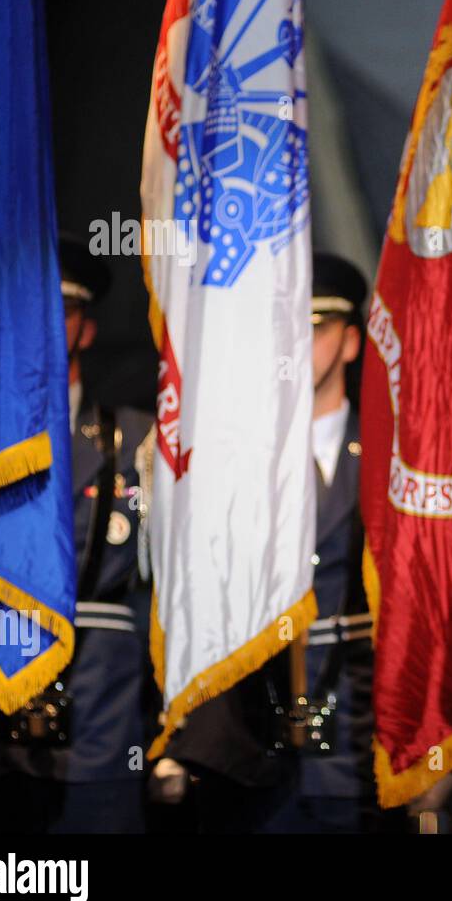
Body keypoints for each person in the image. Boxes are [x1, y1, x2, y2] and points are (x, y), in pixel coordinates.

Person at [159, 253, 398, 834]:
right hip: (252, 740)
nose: (295, 343)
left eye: (314, 328)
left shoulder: (390, 456)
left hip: (361, 731)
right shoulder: (233, 456)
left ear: (347, 342)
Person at [0, 233, 156, 834]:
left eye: (58, 310)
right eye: (23, 310)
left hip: (99, 723)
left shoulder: (136, 441)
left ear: (85, 327)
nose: (37, 327)